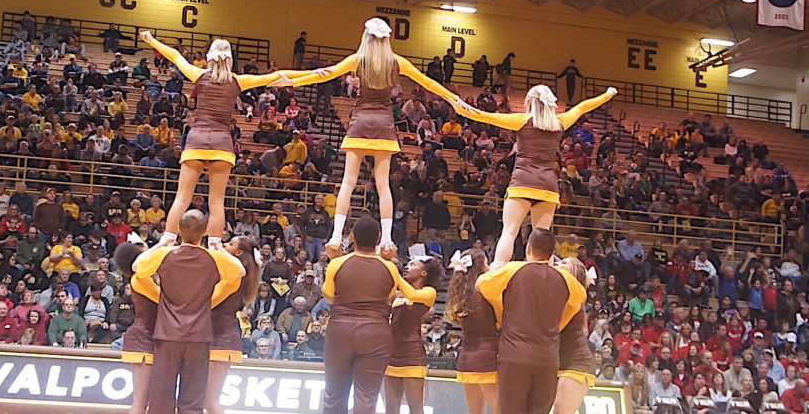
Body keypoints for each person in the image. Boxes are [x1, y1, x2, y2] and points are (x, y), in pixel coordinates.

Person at [278, 18, 465, 257]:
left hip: (360, 121)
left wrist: (289, 78)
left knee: (348, 181)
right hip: (384, 124)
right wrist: (455, 100)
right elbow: (428, 83)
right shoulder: (396, 62)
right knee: (383, 184)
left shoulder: (358, 60)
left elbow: (323, 74)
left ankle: (336, 236)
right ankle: (386, 239)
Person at [138, 32, 305, 247]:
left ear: (210, 56)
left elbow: (174, 55)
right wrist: (314, 74)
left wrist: (151, 40)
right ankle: (216, 243)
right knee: (216, 200)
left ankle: (168, 239)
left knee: (182, 197)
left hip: (197, 140)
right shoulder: (238, 81)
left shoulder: (199, 74)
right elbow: (277, 75)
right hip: (221, 144)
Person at [315, 216, 431, 414]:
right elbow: (391, 297)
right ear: (378, 240)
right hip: (375, 331)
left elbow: (329, 295)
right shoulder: (389, 268)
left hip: (341, 329)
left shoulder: (337, 263)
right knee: (365, 398)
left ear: (352, 237)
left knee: (334, 395)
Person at [132, 210, 245, 414]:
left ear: (180, 230)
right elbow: (238, 271)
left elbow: (138, 267)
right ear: (204, 231)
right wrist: (219, 248)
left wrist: (161, 244)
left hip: (167, 334)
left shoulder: (165, 255)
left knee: (161, 397)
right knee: (193, 398)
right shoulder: (213, 258)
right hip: (199, 335)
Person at [459, 85, 617, 268]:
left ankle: (496, 272)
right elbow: (582, 107)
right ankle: (545, 276)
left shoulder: (522, 120)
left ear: (530, 102)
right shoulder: (559, 122)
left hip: (522, 182)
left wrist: (461, 106)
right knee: (542, 236)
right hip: (548, 187)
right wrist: (607, 95)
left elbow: (483, 116)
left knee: (509, 232)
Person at [476, 229, 586, 414]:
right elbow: (578, 300)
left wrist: (504, 309)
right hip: (548, 355)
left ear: (528, 249)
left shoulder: (513, 270)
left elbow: (482, 284)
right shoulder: (566, 280)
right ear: (552, 254)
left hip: (514, 354)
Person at [375, 256, 442, 414]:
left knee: (416, 410)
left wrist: (393, 273)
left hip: (413, 354)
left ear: (424, 273)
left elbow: (413, 296)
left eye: (413, 265)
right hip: (390, 353)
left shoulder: (428, 292)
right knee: (391, 410)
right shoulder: (398, 294)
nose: (407, 266)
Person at [203, 235, 260, 414]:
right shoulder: (233, 273)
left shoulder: (232, 277)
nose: (224, 245)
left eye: (230, 244)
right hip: (219, 337)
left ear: (238, 254)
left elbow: (206, 303)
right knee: (208, 399)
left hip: (222, 339)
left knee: (210, 399)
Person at [444, 249, 501, 414]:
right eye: (486, 262)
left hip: (466, 359)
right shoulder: (486, 292)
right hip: (487, 358)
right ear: (480, 265)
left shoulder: (461, 295)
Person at [112, 243, 158, 414]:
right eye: (144, 251)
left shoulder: (144, 278)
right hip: (142, 339)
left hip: (148, 338)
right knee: (141, 400)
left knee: (145, 400)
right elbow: (166, 301)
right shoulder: (141, 279)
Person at [553, 257, 596, 414]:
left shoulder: (575, 295)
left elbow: (554, 327)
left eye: (565, 262)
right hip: (559, 362)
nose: (559, 262)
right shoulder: (562, 293)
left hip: (577, 363)